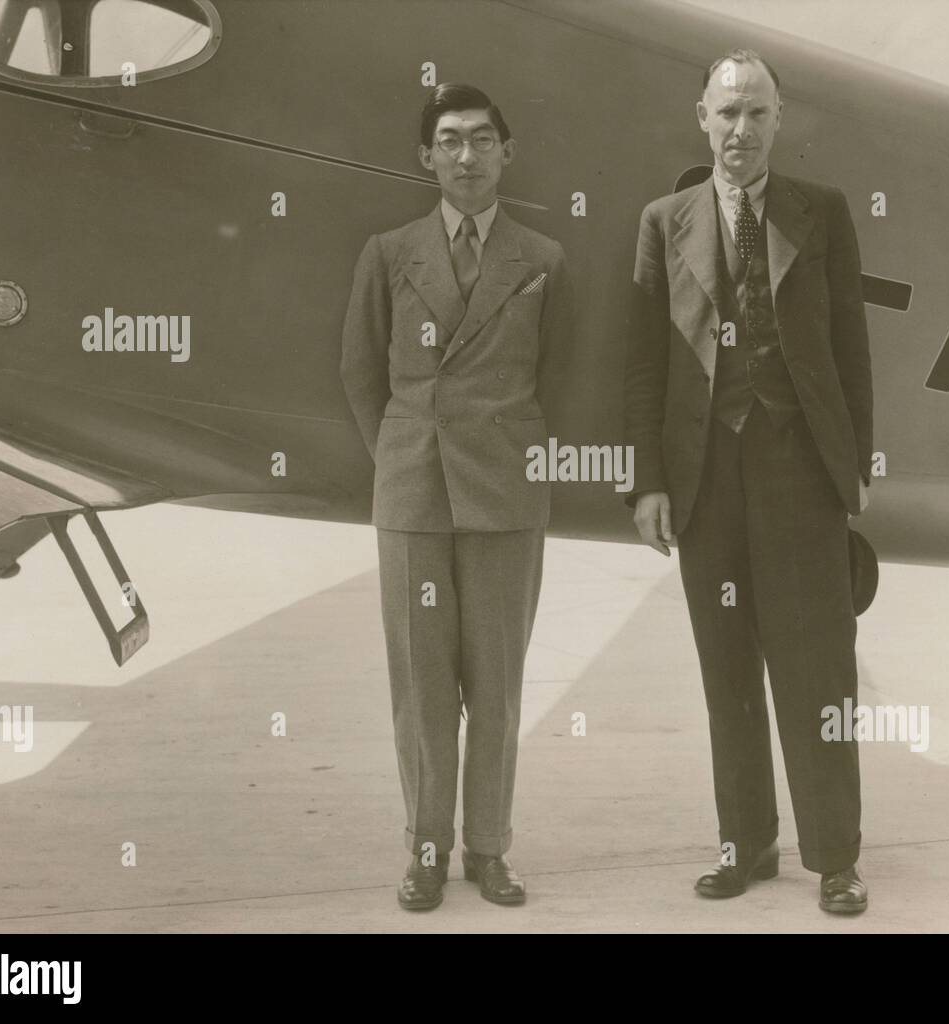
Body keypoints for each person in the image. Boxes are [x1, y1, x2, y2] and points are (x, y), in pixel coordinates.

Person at [624, 49, 874, 913]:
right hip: (704, 475)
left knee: (818, 668)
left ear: (780, 121)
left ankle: (835, 858)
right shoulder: (664, 221)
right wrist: (647, 482)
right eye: (726, 114)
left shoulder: (824, 213)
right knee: (725, 668)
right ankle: (747, 846)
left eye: (756, 114)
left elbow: (851, 352)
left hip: (799, 466)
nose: (740, 130)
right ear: (702, 117)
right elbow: (645, 366)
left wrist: (854, 467)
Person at [341, 82, 571, 910]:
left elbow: (563, 379)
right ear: (426, 158)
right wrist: (401, 454)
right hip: (414, 494)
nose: (466, 156)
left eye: (481, 139)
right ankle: (426, 851)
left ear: (507, 154)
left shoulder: (542, 259)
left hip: (505, 496)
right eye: (450, 141)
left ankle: (490, 849)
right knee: (422, 685)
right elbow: (362, 372)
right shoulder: (390, 252)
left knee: (497, 684)